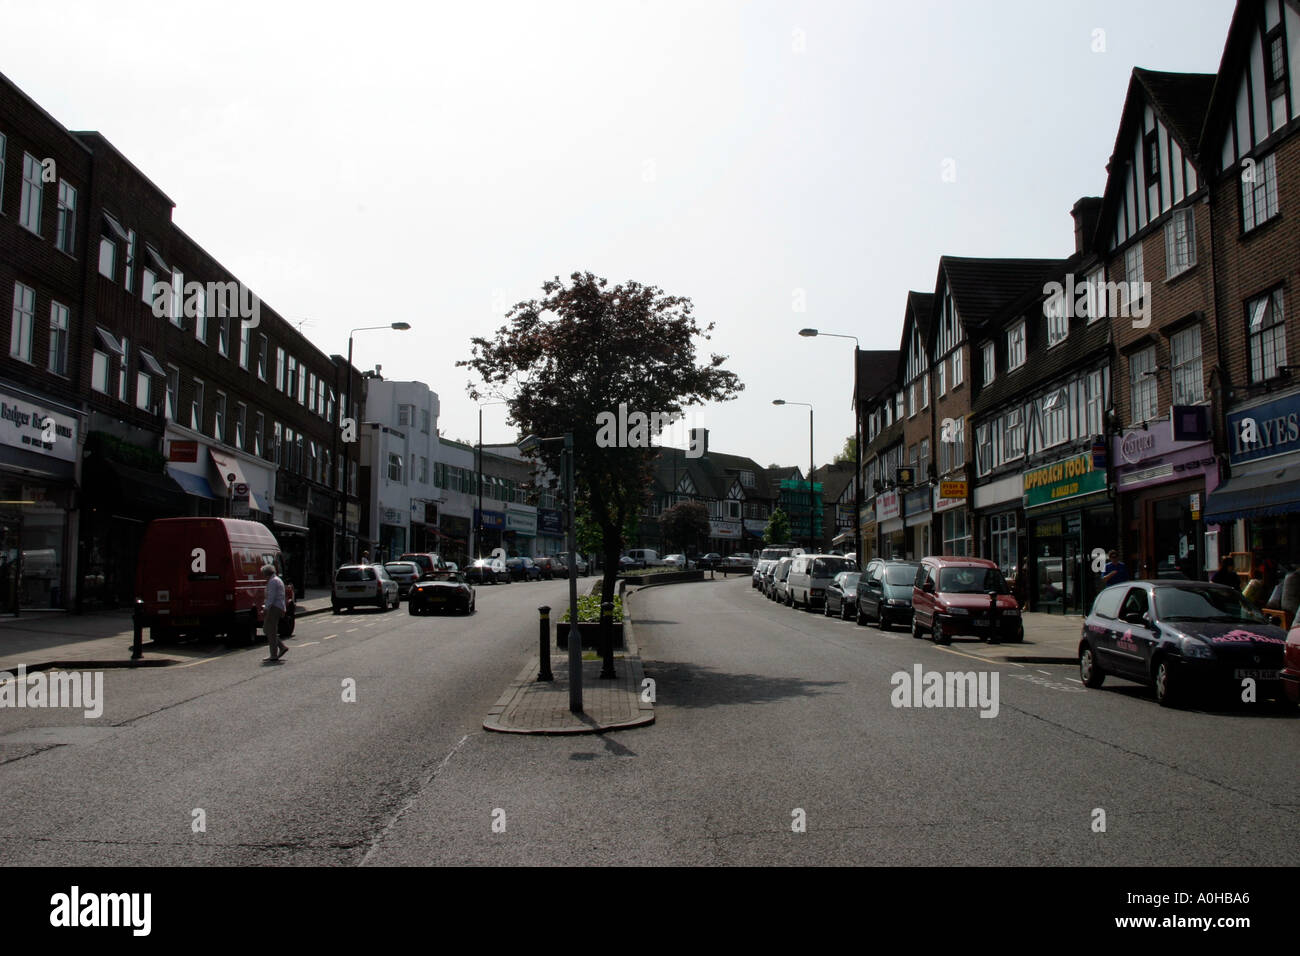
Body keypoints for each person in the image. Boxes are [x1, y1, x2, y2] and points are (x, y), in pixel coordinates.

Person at [262, 564, 288, 661]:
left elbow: (271, 597)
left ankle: (274, 654)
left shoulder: (273, 582)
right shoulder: (276, 580)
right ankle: (281, 647)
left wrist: (266, 608)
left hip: (274, 608)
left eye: (263, 574)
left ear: (266, 573)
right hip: (278, 607)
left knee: (270, 631)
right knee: (268, 630)